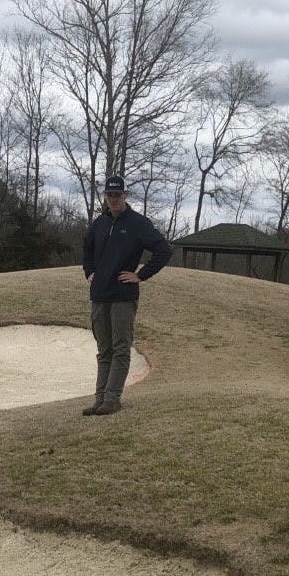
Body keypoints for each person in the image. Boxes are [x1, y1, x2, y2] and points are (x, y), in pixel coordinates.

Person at [80, 174, 173, 416]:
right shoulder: (99, 223)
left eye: (117, 195)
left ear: (125, 195)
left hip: (123, 296)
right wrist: (89, 271)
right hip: (99, 295)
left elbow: (163, 250)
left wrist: (140, 275)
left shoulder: (138, 223)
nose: (113, 199)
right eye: (109, 195)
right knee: (104, 351)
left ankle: (112, 399)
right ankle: (99, 399)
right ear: (106, 196)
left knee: (121, 348)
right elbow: (87, 249)